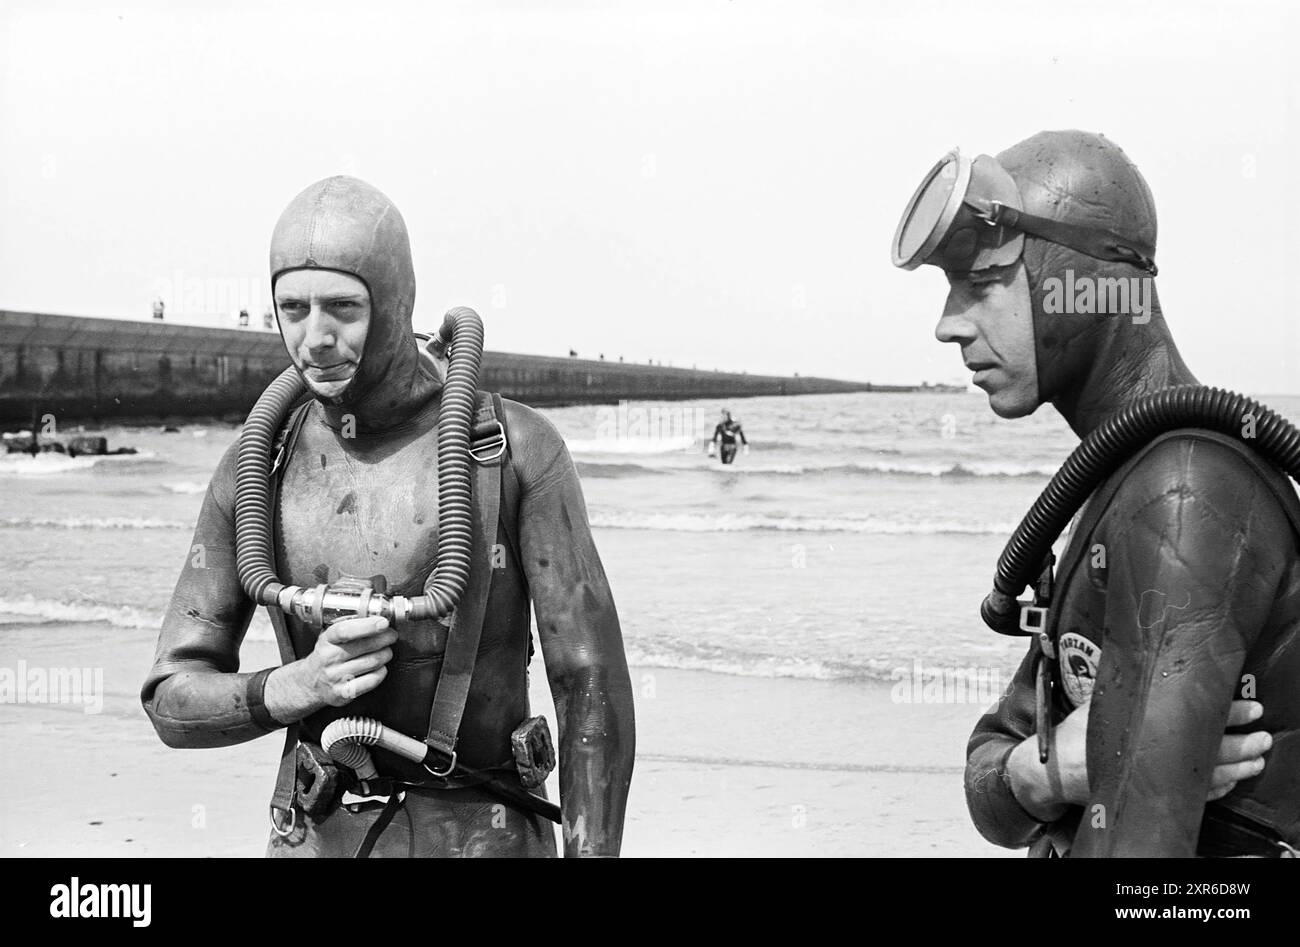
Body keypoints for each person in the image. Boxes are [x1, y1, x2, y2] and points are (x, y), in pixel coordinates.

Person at [142, 176, 635, 858]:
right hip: (315, 836)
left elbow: (590, 686)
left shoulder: (512, 450)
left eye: (342, 307)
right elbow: (171, 699)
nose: (313, 336)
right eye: (293, 307)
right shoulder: (258, 465)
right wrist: (291, 686)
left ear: (397, 301)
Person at [892, 131, 1298, 857]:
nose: (948, 323)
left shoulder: (1185, 491)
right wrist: (1046, 770)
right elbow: (993, 768)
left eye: (982, 283)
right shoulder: (1121, 476)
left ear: (1085, 283)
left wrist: (1097, 764)